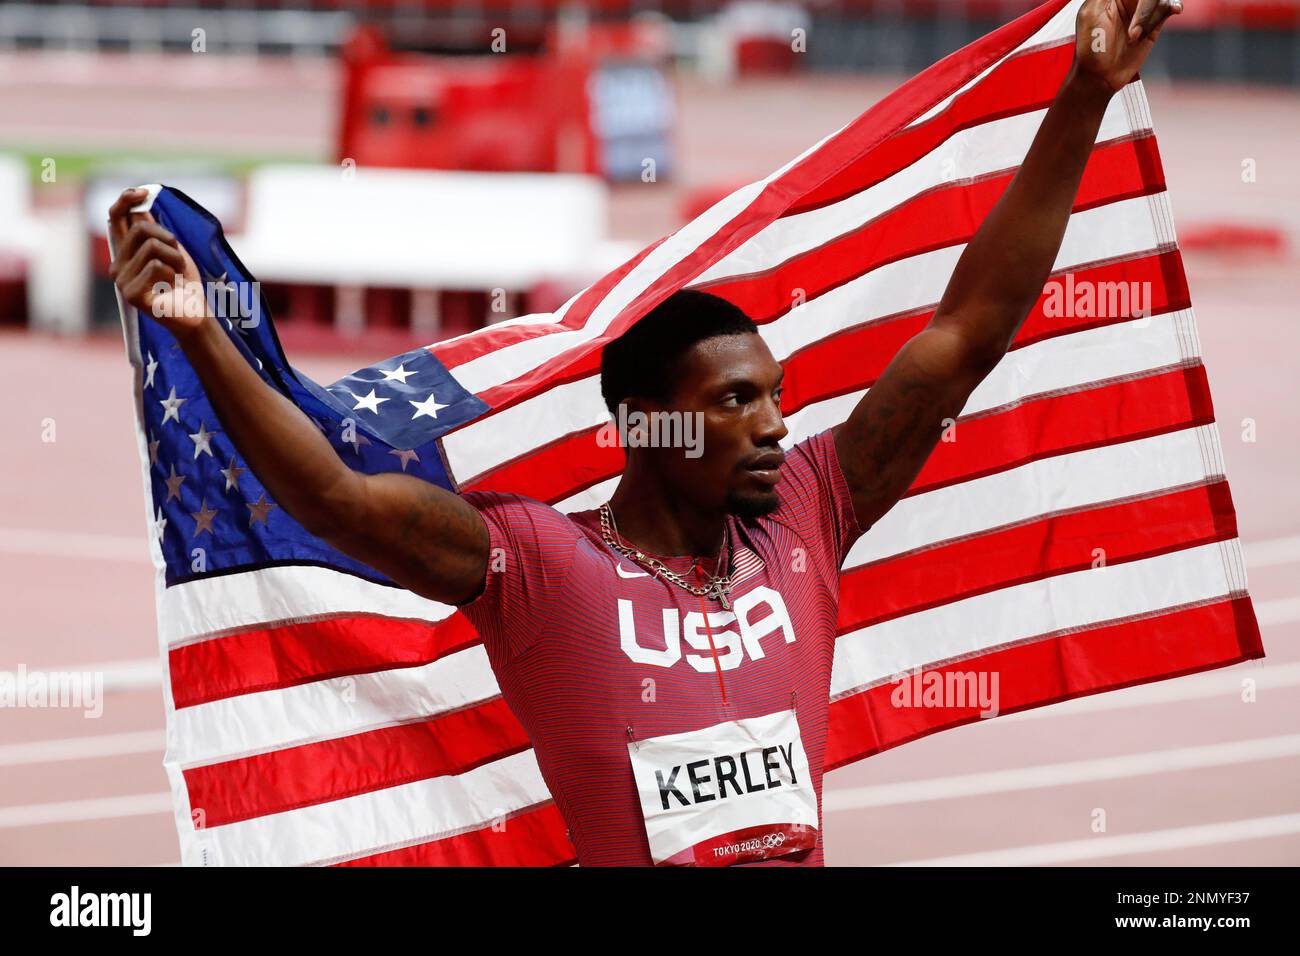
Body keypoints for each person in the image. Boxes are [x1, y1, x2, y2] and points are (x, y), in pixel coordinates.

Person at [108, 0, 1182, 866]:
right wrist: (203, 337)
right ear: (646, 424)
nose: (773, 424)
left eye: (771, 394)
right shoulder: (539, 565)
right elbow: (335, 499)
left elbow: (965, 333)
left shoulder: (808, 512)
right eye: (732, 402)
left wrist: (1081, 97)